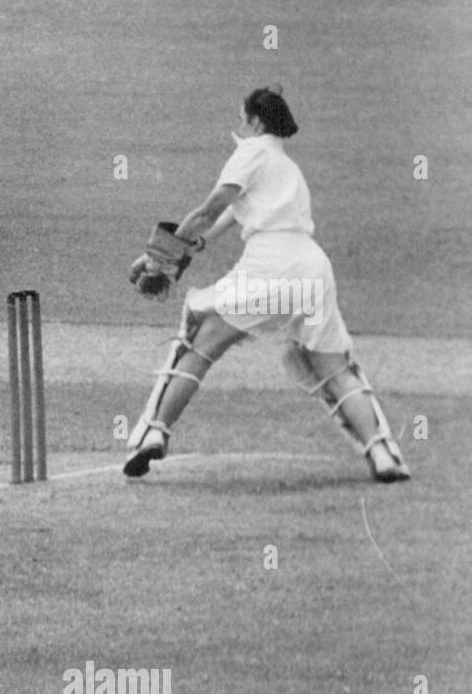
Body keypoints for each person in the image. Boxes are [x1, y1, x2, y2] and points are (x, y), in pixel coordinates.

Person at [124, 86, 410, 483]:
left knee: (199, 339)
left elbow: (209, 211)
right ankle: (383, 454)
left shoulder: (251, 151)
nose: (238, 125)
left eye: (242, 117)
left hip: (271, 265)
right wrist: (186, 249)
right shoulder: (285, 166)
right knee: (331, 364)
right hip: (311, 267)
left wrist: (159, 257)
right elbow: (226, 221)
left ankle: (154, 431)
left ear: (256, 121)